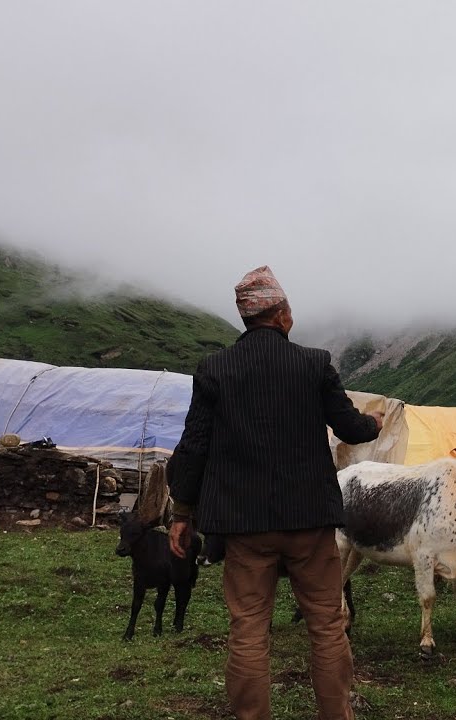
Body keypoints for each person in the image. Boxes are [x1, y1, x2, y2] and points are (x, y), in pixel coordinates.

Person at [167, 265, 384, 720]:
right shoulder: (314, 364)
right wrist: (373, 423)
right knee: (326, 626)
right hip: (309, 520)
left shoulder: (215, 369)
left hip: (243, 526)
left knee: (248, 630)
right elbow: (350, 427)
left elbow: (193, 447)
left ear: (248, 319)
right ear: (282, 314)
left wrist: (182, 512)